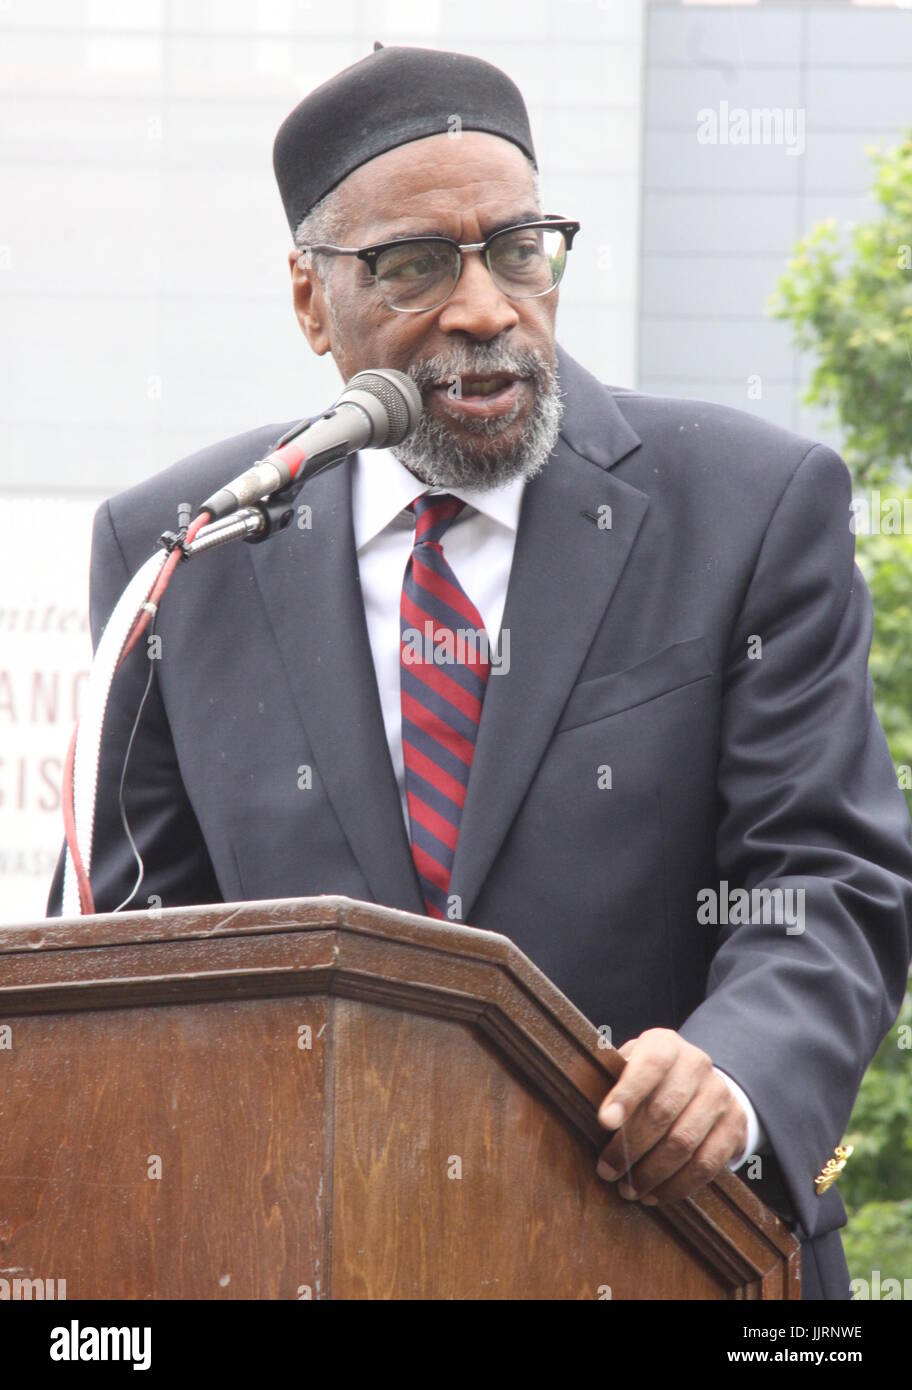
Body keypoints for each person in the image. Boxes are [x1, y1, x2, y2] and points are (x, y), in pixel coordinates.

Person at [47, 44, 912, 1300]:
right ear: (309, 301)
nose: (486, 307)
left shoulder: (749, 506)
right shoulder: (185, 544)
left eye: (519, 248)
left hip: (683, 1252)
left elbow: (828, 878)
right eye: (414, 265)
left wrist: (730, 1069)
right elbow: (149, 963)